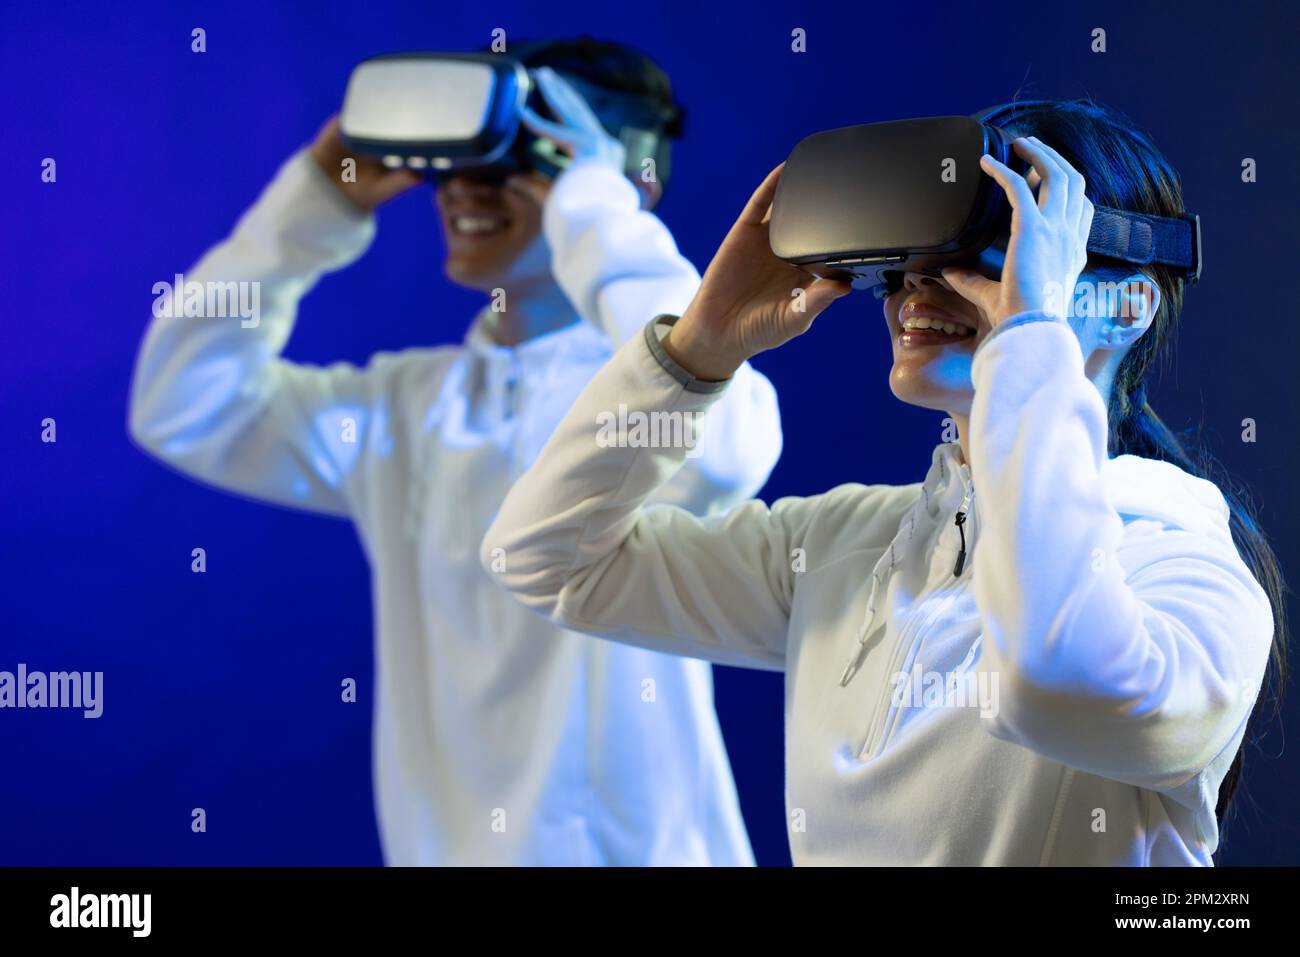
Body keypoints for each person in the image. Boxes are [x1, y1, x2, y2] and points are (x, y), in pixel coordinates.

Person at [482, 98, 1288, 865]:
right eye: (911, 254)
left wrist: (1032, 332)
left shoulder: (1188, 575)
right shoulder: (840, 546)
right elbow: (545, 558)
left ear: (1128, 303)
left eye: (993, 244)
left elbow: (1054, 682)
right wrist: (698, 348)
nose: (922, 283)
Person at [128, 38, 783, 866]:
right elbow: (183, 404)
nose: (466, 187)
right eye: (458, 159)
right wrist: (316, 200)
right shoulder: (406, 410)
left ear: (619, 183)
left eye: (525, 158)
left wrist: (597, 209)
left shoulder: (656, 394)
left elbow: (726, 447)